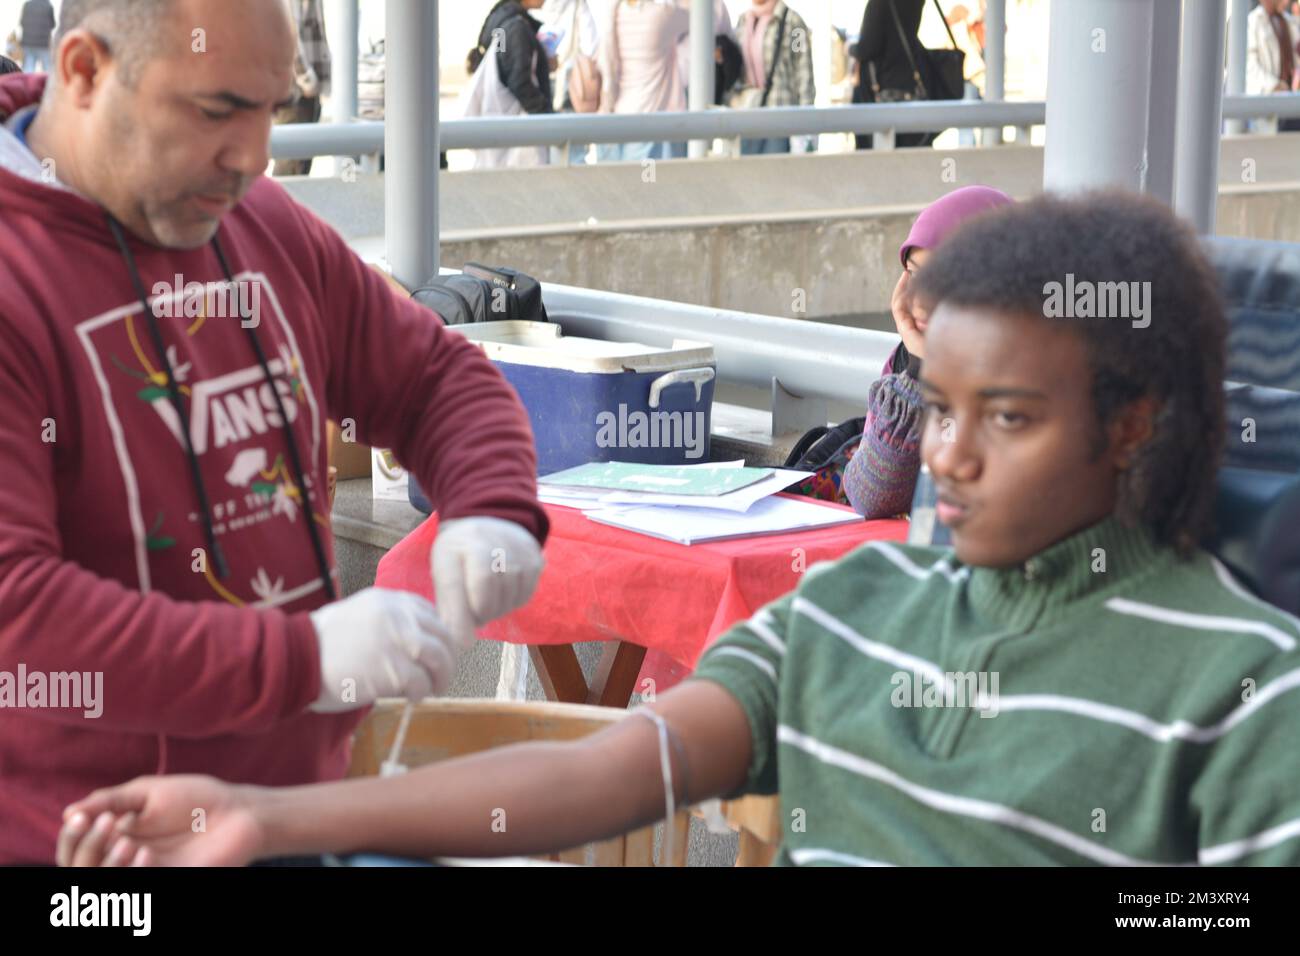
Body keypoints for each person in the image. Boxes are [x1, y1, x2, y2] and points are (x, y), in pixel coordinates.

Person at [59, 192, 1300, 868]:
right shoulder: (849, 614)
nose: (946, 453)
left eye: (1008, 418)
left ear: (1134, 424)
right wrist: (265, 815)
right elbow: (610, 768)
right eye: (937, 407)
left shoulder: (1242, 685)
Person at [0, 0, 548, 865]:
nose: (253, 157)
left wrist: (491, 505)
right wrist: (302, 661)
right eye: (217, 112)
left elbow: (433, 376)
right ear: (83, 72)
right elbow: (18, 614)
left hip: (300, 820)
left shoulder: (262, 225)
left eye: (271, 109)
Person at [843, 185, 1012, 519]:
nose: (919, 298)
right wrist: (921, 368)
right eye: (914, 274)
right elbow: (872, 498)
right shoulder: (907, 362)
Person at [596, 0, 690, 163]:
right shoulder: (661, 15)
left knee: (620, 187)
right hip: (649, 124)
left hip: (618, 116)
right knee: (649, 186)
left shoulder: (615, 13)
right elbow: (697, 17)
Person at [734, 0, 816, 155]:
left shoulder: (793, 23)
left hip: (781, 115)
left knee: (775, 173)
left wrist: (806, 121)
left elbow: (803, 70)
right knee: (748, 174)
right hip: (748, 115)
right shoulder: (743, 21)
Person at [852, 0, 928, 149]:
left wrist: (851, 49)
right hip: (908, 87)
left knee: (875, 160)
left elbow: (867, 48)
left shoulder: (879, 3)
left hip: (879, 92)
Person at [271, 0, 330, 176]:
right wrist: (307, 80)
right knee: (291, 165)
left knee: (299, 163)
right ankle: (279, 204)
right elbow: (290, 39)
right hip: (296, 90)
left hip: (306, 90)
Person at [1245, 0, 1300, 133]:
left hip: (1292, 101)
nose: (1287, 2)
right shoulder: (1253, 22)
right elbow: (1250, 66)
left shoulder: (1289, 22)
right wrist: (1275, 85)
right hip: (1270, 101)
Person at [18, 0, 56, 73]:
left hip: (28, 42)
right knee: (47, 69)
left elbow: (22, 22)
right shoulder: (49, 6)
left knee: (28, 69)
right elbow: (53, 24)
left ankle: (27, 84)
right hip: (43, 43)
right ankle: (48, 84)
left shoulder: (27, 5)